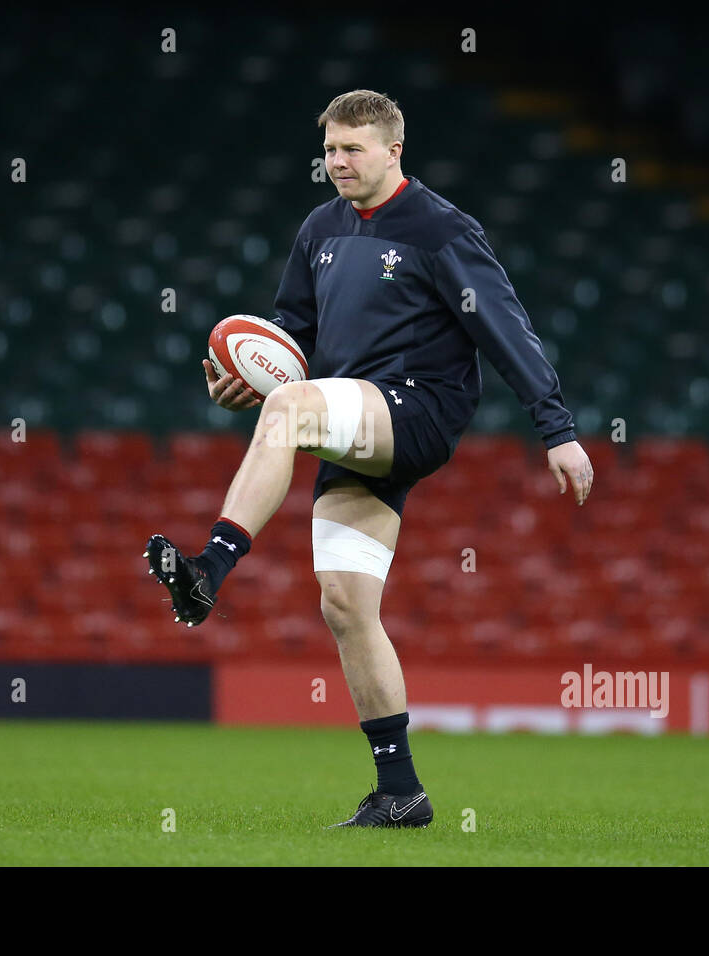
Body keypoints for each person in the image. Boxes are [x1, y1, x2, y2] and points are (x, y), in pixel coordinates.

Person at [145, 89, 593, 828]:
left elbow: (505, 328)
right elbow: (289, 331)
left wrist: (557, 427)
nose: (337, 163)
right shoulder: (319, 228)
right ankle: (400, 793)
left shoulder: (441, 228)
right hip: (354, 418)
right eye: (328, 150)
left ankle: (208, 571)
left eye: (352, 149)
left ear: (393, 151)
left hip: (419, 407)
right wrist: (243, 381)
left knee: (291, 412)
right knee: (346, 605)